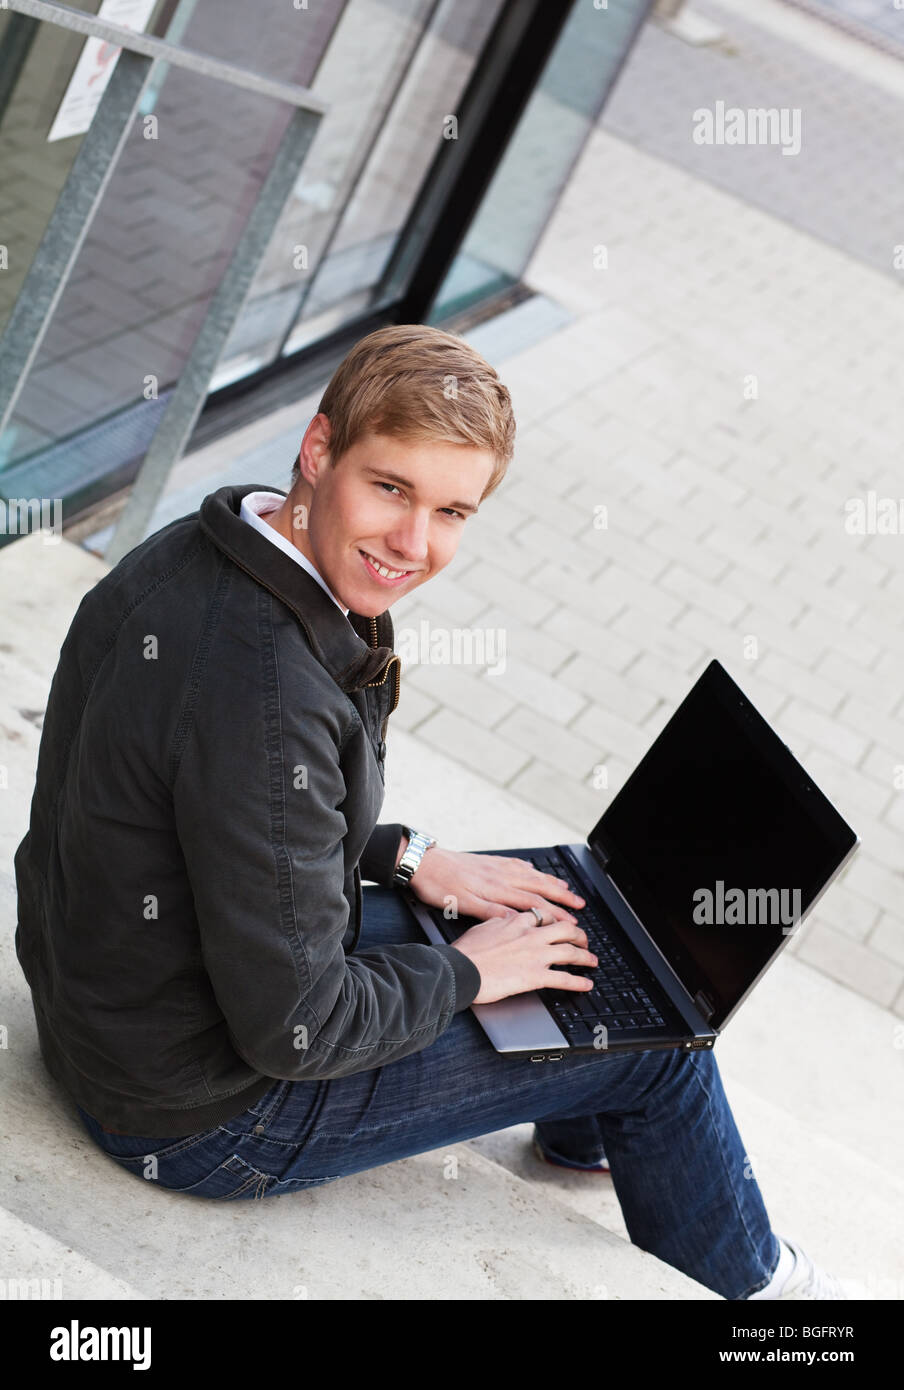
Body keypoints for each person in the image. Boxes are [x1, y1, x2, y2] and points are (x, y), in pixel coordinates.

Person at [14, 323, 845, 1301]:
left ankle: (587, 1104)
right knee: (660, 1046)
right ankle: (759, 1295)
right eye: (391, 488)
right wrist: (462, 972)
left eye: (452, 509)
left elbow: (204, 799)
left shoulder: (203, 552)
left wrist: (405, 856)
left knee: (567, 930)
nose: (413, 545)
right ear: (319, 451)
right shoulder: (265, 693)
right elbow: (299, 1032)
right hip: (197, 1112)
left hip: (111, 1005)